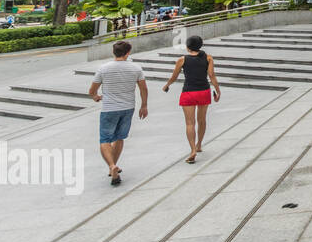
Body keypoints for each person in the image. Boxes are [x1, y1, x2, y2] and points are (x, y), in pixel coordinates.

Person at [88, 40, 148, 187]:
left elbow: (92, 90)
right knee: (120, 138)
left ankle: (111, 166)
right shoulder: (136, 68)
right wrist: (144, 106)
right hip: (128, 108)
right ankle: (114, 166)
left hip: (109, 108)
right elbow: (143, 89)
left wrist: (96, 97)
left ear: (113, 52)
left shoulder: (104, 68)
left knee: (105, 139)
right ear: (128, 52)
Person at [162, 34, 221, 163]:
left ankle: (193, 149)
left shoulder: (182, 60)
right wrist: (217, 90)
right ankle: (199, 144)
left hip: (188, 92)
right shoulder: (208, 58)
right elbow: (212, 76)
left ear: (188, 47)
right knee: (202, 120)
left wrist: (167, 85)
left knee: (190, 123)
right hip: (204, 91)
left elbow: (174, 77)